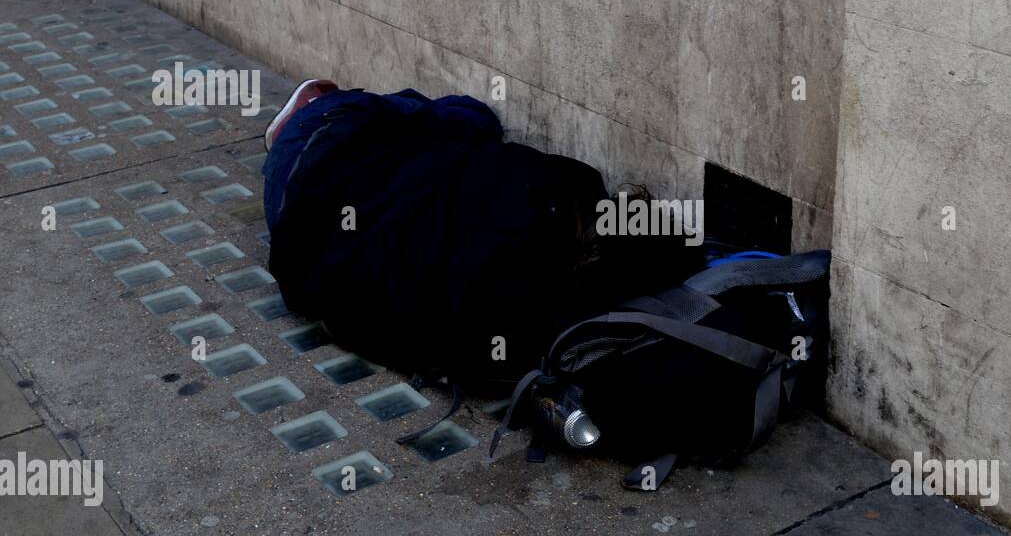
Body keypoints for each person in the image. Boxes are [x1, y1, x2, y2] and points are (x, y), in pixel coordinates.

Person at [261, 80, 701, 388]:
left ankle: (302, 116)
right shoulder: (536, 316)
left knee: (465, 116)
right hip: (307, 240)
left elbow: (467, 133)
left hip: (322, 157)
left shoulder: (562, 187)